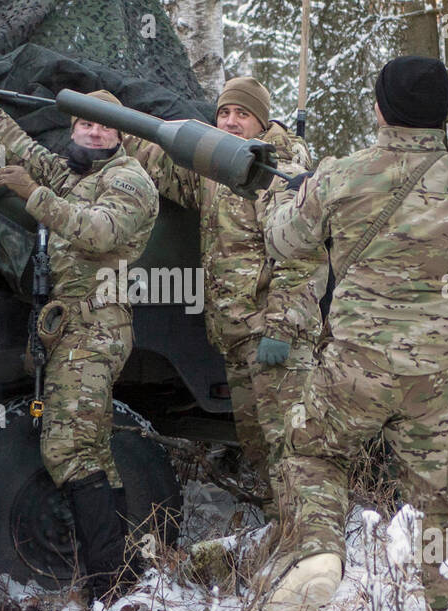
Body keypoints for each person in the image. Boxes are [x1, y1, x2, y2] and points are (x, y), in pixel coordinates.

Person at [262, 55, 448, 611]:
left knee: (314, 452)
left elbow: (284, 242)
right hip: (439, 377)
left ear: (380, 108)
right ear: (439, 114)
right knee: (445, 505)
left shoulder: (340, 175)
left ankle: (320, 549)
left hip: (354, 368)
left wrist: (293, 194)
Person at [0, 69, 159, 604]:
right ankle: (120, 579)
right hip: (75, 327)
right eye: (83, 124)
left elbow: (98, 230)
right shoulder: (78, 176)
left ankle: (110, 585)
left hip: (96, 326)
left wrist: (32, 195)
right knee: (90, 450)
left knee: (68, 448)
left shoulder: (127, 180)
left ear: (119, 134)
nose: (93, 133)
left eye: (103, 126)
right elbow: (19, 145)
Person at [125, 77, 325, 516]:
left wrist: (282, 330)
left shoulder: (281, 174)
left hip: (273, 338)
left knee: (290, 450)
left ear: (262, 121)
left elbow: (301, 260)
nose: (231, 123)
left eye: (242, 115)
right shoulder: (215, 172)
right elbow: (159, 162)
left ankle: (311, 544)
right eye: (224, 114)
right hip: (234, 337)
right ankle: (282, 528)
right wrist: (108, 118)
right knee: (258, 447)